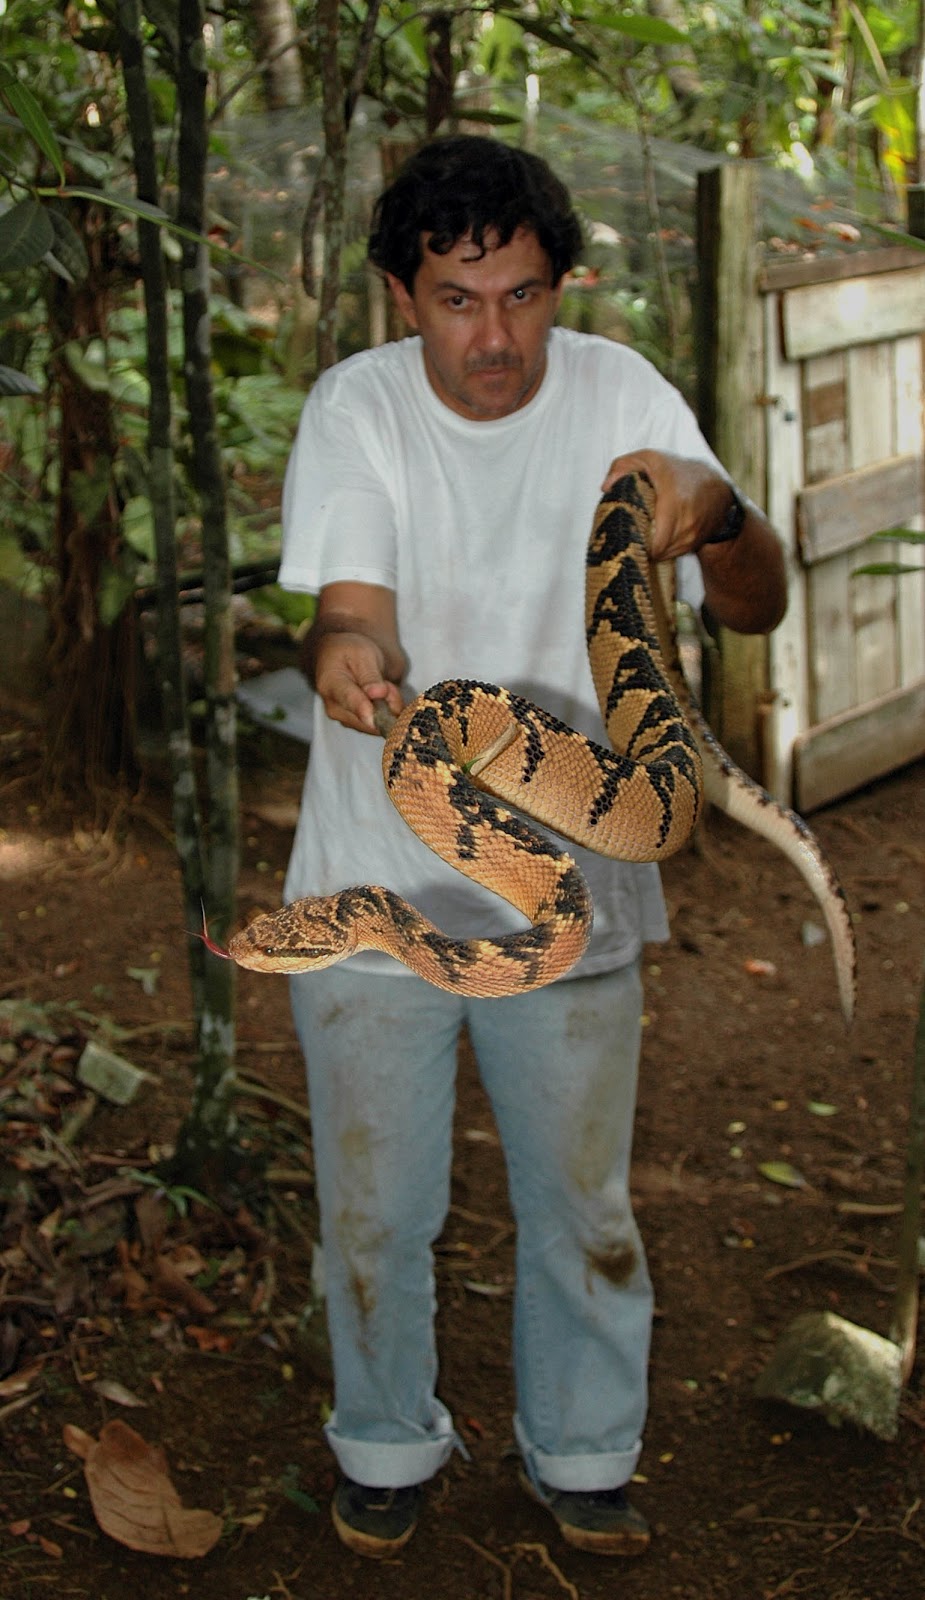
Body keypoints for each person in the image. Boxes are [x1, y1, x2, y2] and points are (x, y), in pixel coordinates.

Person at [278, 135, 787, 1562]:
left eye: (520, 296)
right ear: (399, 294)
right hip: (373, 874)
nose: (493, 337)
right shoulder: (355, 409)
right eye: (455, 299)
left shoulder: (626, 399)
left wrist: (718, 516)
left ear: (561, 283)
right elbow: (354, 604)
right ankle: (383, 1441)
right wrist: (350, 659)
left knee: (580, 1199)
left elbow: (754, 607)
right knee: (377, 1203)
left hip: (576, 877)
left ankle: (581, 1449)